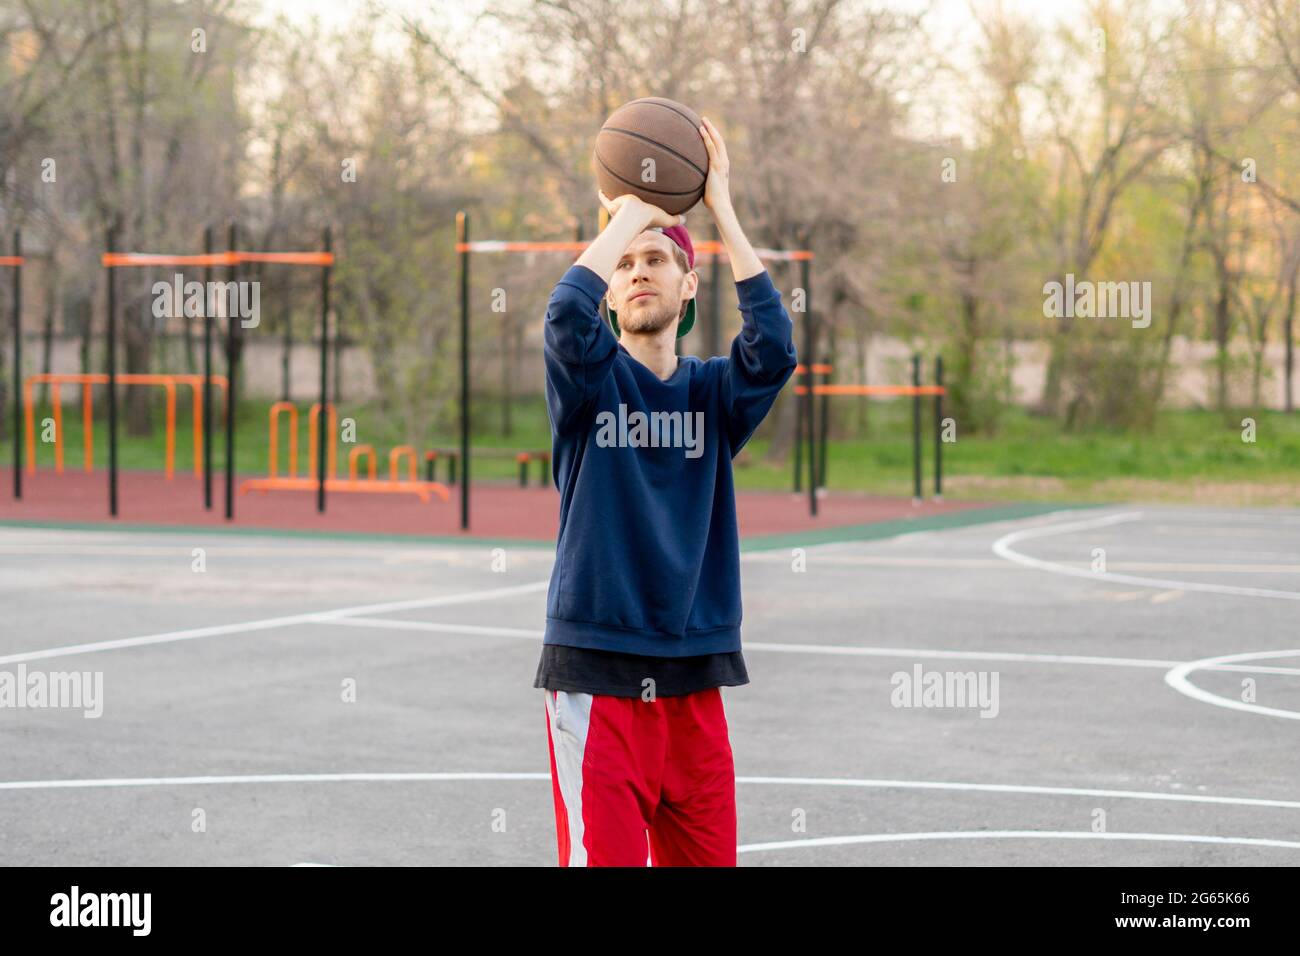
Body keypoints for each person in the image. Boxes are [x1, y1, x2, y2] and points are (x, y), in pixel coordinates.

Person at [535, 116, 797, 866]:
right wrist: (633, 214)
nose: (639, 270)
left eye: (658, 259)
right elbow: (563, 313)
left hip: (693, 680)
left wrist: (720, 206)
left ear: (688, 288)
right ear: (612, 294)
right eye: (627, 265)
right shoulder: (589, 383)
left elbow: (774, 348)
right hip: (596, 671)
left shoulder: (713, 396)